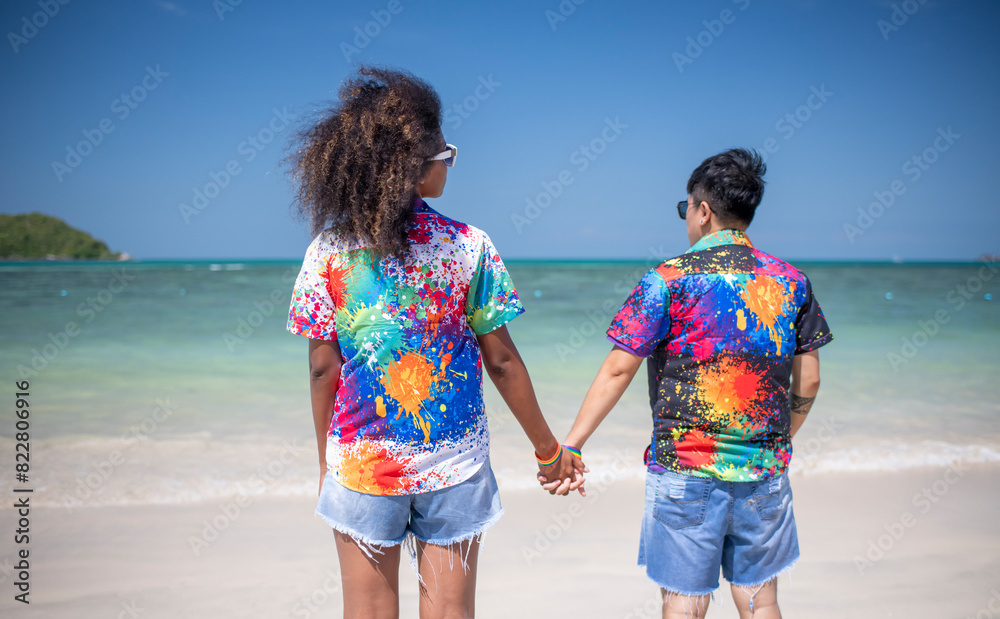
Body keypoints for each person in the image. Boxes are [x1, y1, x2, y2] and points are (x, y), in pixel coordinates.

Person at [285, 67, 583, 619]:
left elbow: (323, 370)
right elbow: (502, 361)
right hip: (456, 466)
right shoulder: (470, 246)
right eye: (443, 152)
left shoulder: (327, 253)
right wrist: (548, 450)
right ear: (414, 167)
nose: (448, 161)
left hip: (363, 463)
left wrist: (327, 461)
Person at [544, 149, 833, 618]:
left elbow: (620, 367)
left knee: (683, 604)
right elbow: (811, 379)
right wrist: (779, 440)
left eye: (686, 209)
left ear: (702, 211)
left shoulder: (668, 279)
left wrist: (570, 447)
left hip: (684, 469)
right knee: (761, 600)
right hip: (764, 469)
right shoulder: (791, 282)